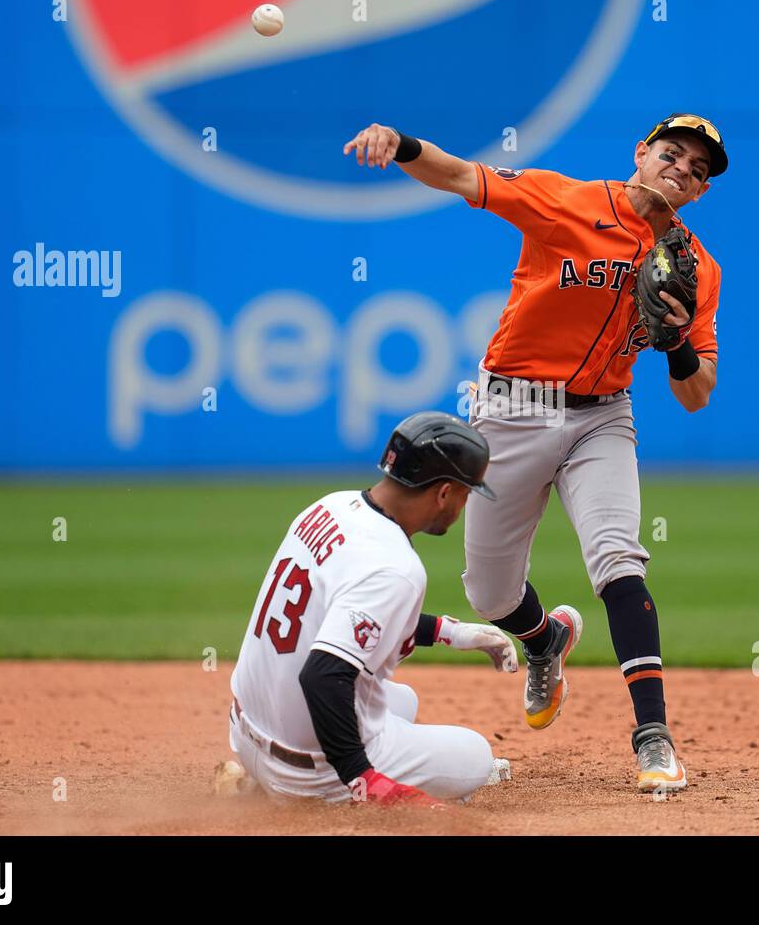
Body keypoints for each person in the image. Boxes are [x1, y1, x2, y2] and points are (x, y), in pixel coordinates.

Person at [342, 113, 727, 791]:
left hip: (602, 416)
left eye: (698, 171)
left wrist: (678, 346)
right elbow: (462, 174)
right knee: (489, 593)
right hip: (513, 409)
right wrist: (399, 144)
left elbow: (698, 394)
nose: (682, 171)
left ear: (700, 191)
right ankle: (545, 639)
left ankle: (653, 737)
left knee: (617, 558)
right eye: (672, 154)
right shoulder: (566, 201)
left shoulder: (695, 266)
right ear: (640, 154)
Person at [223, 411, 518, 805]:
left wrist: (450, 632)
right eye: (466, 492)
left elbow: (341, 614)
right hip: (307, 775)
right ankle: (319, 789)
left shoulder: (331, 507)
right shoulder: (397, 567)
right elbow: (323, 677)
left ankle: (257, 778)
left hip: (245, 733)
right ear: (444, 492)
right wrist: (361, 777)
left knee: (403, 701)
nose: (465, 502)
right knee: (475, 757)